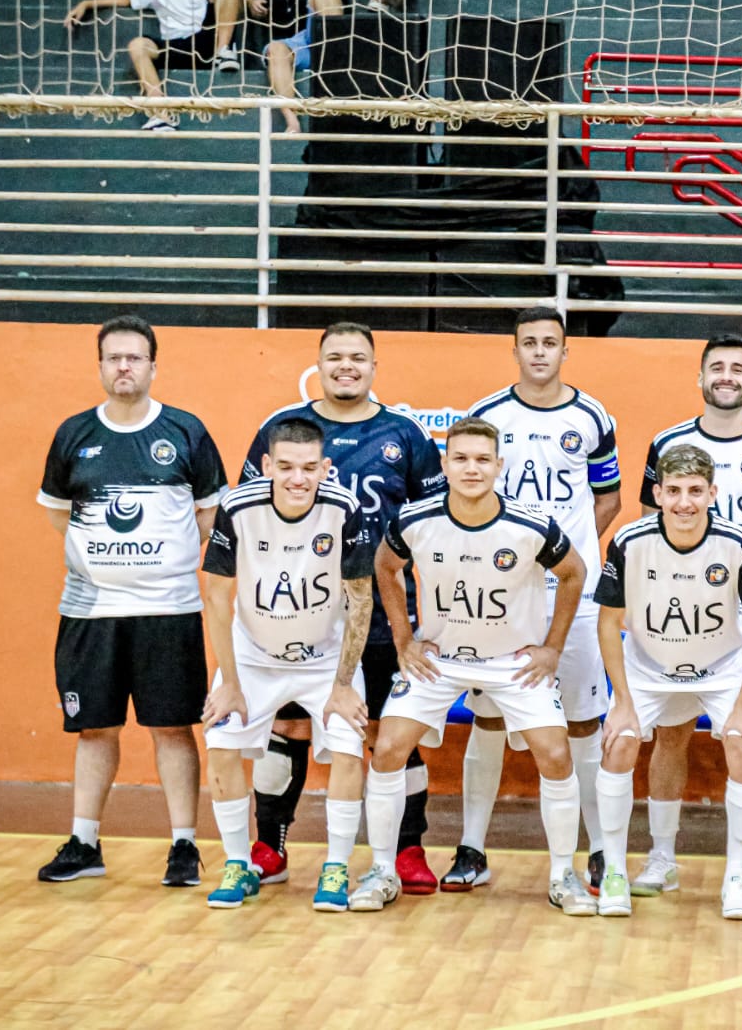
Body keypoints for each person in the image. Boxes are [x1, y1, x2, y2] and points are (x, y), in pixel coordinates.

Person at [350, 417, 594, 914]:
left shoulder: (531, 525)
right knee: (389, 748)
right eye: (460, 458)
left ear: (500, 466)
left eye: (483, 459)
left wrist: (550, 648)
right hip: (440, 661)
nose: (471, 468)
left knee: (555, 755)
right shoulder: (415, 519)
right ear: (444, 464)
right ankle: (381, 869)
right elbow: (384, 566)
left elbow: (574, 574)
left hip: (512, 663)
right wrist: (404, 638)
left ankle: (563, 874)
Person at [240, 322, 447, 897]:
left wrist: (421, 624)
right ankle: (269, 845)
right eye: (335, 357)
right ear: (319, 364)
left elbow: (434, 534)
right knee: (289, 726)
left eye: (358, 357)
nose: (346, 367)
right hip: (297, 616)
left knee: (390, 734)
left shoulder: (404, 435)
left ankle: (407, 849)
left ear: (375, 366)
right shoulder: (282, 431)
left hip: (381, 616)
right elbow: (248, 514)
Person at [36, 315, 228, 887]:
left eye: (135, 358)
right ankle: (84, 842)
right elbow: (57, 511)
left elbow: (209, 512)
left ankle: (184, 847)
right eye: (114, 357)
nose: (124, 366)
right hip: (90, 613)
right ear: (100, 366)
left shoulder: (185, 431)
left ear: (152, 366)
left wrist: (157, 564)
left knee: (172, 727)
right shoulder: (74, 434)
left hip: (168, 612)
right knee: (94, 729)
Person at [452, 307, 621, 896]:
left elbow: (608, 500)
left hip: (573, 592)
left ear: (566, 351)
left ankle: (600, 848)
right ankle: (472, 846)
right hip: (503, 593)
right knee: (490, 713)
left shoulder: (593, 414)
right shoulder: (489, 414)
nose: (541, 353)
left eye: (551, 343)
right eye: (530, 343)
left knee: (581, 718)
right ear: (515, 350)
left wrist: (563, 557)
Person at [632, 334, 742, 901]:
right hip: (676, 628)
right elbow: (647, 527)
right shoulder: (668, 442)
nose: (726, 376)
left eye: (737, 368)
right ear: (700, 377)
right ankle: (660, 857)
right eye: (716, 368)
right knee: (671, 737)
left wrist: (733, 576)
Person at [594, 445, 742, 919]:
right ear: (656, 493)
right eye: (673, 491)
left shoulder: (736, 542)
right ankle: (631, 866)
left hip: (722, 665)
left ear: (713, 493)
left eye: (696, 491)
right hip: (650, 666)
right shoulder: (630, 540)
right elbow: (608, 621)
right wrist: (621, 700)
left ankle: (737, 874)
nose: (684, 502)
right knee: (620, 742)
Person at [200, 417, 372, 912]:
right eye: (288, 468)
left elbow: (360, 601)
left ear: (325, 467)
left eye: (310, 468)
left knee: (347, 746)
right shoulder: (238, 507)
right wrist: (231, 683)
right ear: (267, 465)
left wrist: (343, 684)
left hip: (324, 659)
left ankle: (336, 868)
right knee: (221, 741)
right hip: (254, 656)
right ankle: (238, 862)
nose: (299, 478)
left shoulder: (344, 508)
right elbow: (215, 595)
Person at [65, 0, 242, 131]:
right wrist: (87, 3)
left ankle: (224, 51)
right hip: (175, 45)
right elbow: (128, 0)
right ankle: (161, 112)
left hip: (208, 39)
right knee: (138, 45)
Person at [246, 0, 348, 134]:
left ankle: (332, 70)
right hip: (294, 44)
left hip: (321, 38)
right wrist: (251, 1)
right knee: (276, 49)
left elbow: (345, 20)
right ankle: (292, 121)